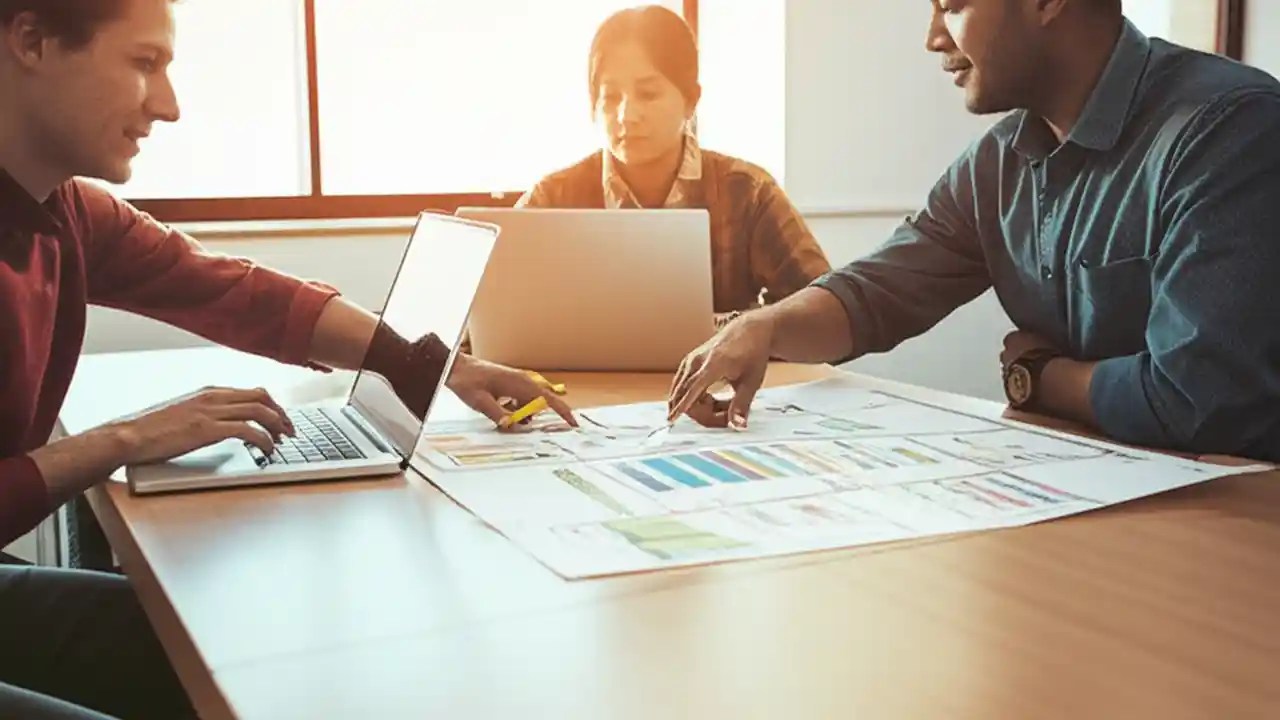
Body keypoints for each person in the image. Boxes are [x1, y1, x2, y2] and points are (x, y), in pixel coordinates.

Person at [0, 1, 573, 717]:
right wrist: (120, 440)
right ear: (31, 40)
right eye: (145, 64)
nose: (171, 107)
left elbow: (237, 292)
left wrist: (432, 366)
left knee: (216, 654)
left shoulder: (67, 211)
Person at [668, 0, 1280, 462]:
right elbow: (879, 293)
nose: (934, 37)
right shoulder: (1000, 161)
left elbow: (1196, 401)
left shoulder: (1228, 129)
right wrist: (765, 325)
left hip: (1232, 534)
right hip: (1090, 504)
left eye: (953, 4)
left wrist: (1042, 378)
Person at [518, 4, 831, 320]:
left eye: (648, 94)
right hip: (582, 370)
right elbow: (481, 314)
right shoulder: (553, 198)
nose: (627, 115)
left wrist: (750, 330)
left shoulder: (747, 192)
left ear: (691, 100)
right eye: (611, 97)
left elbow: (823, 310)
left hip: (717, 370)